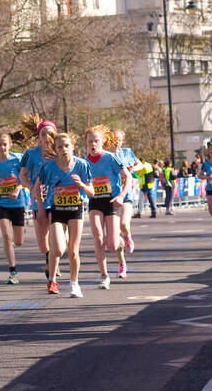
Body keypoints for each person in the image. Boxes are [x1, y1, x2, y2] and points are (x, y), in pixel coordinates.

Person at [34, 131, 93, 298]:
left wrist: (81, 184)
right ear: (56, 149)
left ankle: (74, 284)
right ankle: (52, 280)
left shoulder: (82, 165)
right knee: (59, 249)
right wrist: (40, 206)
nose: (64, 149)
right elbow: (37, 186)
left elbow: (91, 192)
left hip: (75, 210)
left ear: (73, 147)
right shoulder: (49, 167)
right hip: (57, 210)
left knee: (73, 251)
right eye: (60, 147)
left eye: (67, 146)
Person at [84, 126, 127, 289]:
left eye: (96, 141)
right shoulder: (84, 162)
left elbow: (128, 178)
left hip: (111, 201)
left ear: (102, 142)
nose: (93, 144)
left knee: (112, 245)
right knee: (98, 238)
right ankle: (104, 275)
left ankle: (119, 241)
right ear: (86, 144)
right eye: (90, 142)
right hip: (95, 202)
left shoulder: (111, 158)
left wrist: (121, 196)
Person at [0, 131, 27, 284]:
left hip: (18, 203)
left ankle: (20, 231)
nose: (2, 147)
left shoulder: (18, 159)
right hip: (2, 203)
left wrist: (18, 188)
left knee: (19, 241)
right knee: (6, 236)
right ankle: (13, 272)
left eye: (4, 144)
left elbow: (25, 179)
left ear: (10, 145)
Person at [19, 117, 57, 281]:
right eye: (43, 134)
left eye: (50, 134)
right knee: (43, 242)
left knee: (57, 235)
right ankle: (48, 256)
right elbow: (22, 176)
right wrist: (32, 190)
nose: (46, 137)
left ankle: (54, 263)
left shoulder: (59, 152)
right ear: (38, 136)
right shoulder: (30, 154)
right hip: (38, 201)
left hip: (57, 200)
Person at [108, 128, 140, 250]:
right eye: (115, 139)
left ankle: (128, 236)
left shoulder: (127, 152)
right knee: (115, 230)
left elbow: (140, 164)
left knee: (124, 224)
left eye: (120, 140)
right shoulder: (106, 155)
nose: (117, 142)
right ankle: (121, 248)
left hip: (126, 194)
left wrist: (133, 169)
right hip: (111, 195)